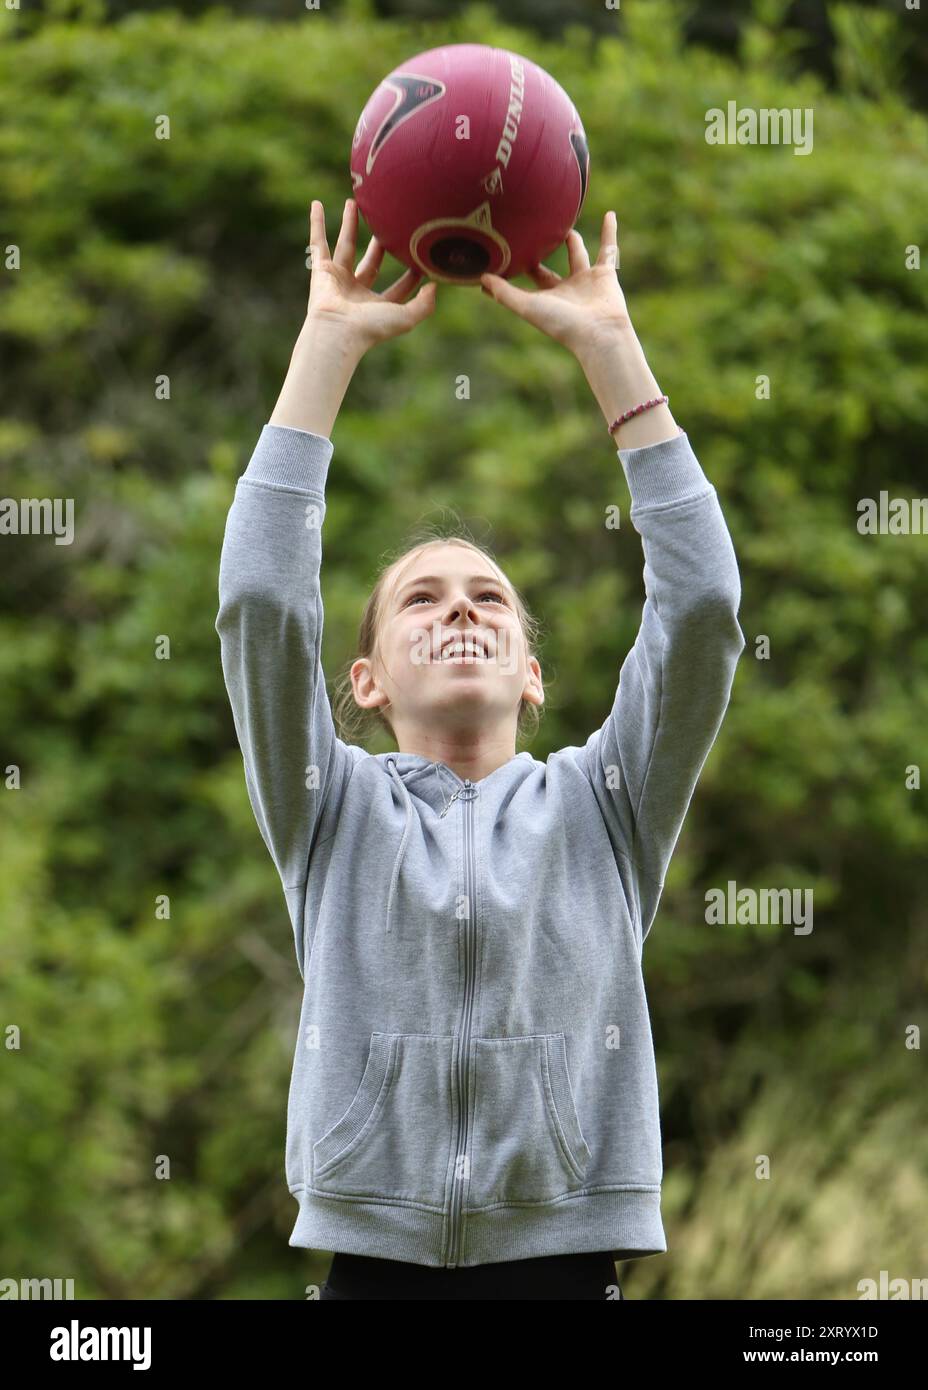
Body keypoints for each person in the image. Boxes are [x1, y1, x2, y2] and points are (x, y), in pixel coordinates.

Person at [215, 198, 745, 1300]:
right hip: (372, 1263)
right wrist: (329, 342)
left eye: (490, 597)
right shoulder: (328, 809)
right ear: (363, 680)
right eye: (421, 598)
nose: (461, 612)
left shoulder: (607, 804)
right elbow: (264, 602)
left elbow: (700, 608)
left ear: (531, 673)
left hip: (566, 1261)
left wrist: (610, 349)